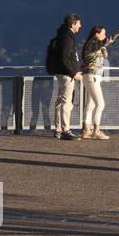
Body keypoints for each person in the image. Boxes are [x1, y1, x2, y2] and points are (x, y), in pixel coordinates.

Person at [79, 23, 119, 140]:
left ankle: (86, 130)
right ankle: (96, 130)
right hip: (93, 76)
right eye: (103, 33)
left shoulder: (91, 45)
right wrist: (118, 32)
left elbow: (100, 55)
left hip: (89, 76)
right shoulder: (93, 44)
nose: (104, 36)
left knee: (90, 104)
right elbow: (106, 42)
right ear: (97, 34)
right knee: (100, 104)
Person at [47, 13, 82, 141]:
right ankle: (65, 130)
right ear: (73, 24)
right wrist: (73, 73)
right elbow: (65, 57)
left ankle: (58, 129)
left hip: (60, 72)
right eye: (78, 23)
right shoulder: (68, 37)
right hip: (67, 74)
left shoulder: (61, 34)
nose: (80, 26)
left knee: (59, 101)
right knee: (66, 102)